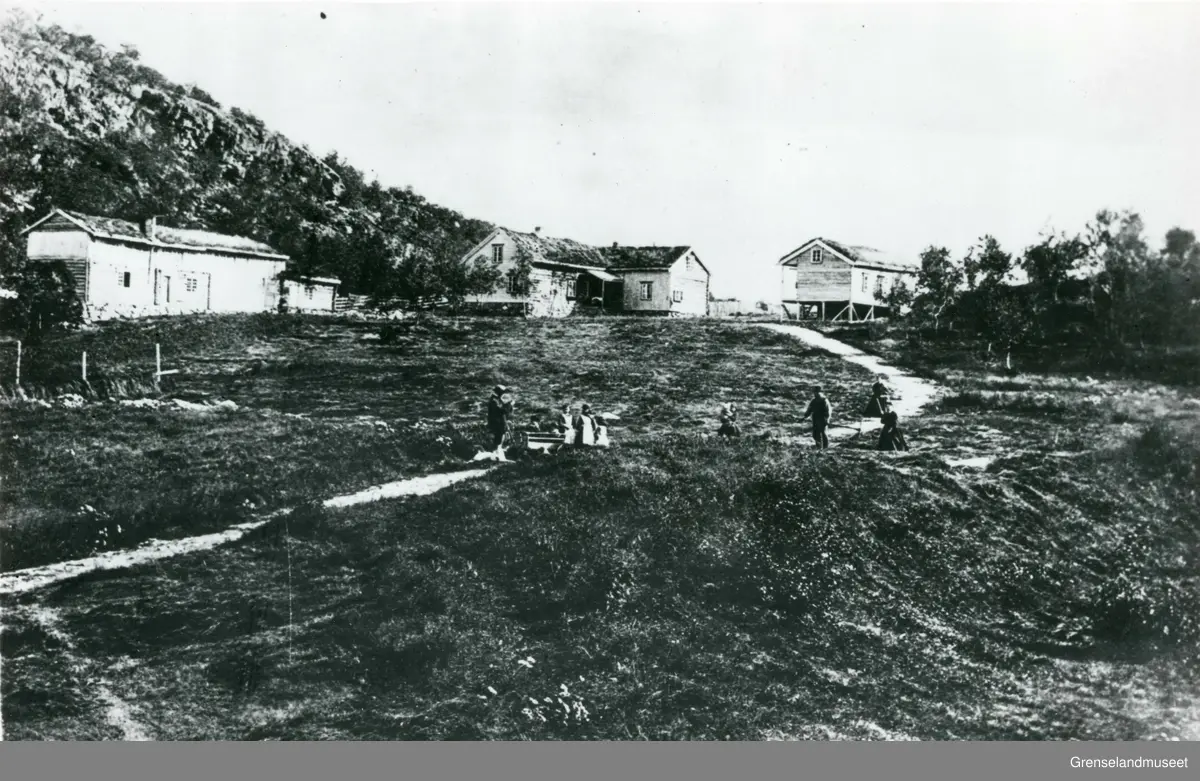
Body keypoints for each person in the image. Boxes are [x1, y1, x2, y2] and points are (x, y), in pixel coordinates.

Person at [487, 385, 514, 456]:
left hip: (498, 422)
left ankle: (496, 452)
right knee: (498, 437)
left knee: (499, 437)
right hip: (497, 422)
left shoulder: (495, 399)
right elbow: (501, 411)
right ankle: (495, 453)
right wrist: (509, 405)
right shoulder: (494, 400)